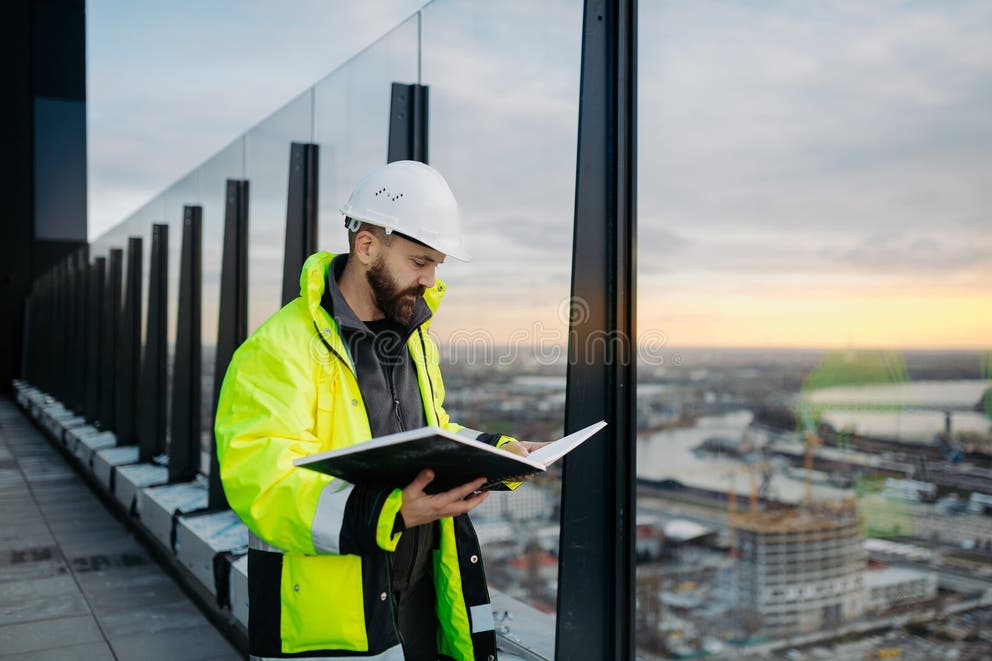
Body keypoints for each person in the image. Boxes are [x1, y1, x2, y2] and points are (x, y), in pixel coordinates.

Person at [215, 160, 544, 661]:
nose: (431, 280)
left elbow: (429, 433)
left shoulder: (412, 341)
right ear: (367, 246)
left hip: (419, 606)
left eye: (437, 264)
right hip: (333, 621)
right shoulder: (277, 350)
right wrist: (387, 513)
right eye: (419, 262)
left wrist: (498, 453)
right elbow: (262, 483)